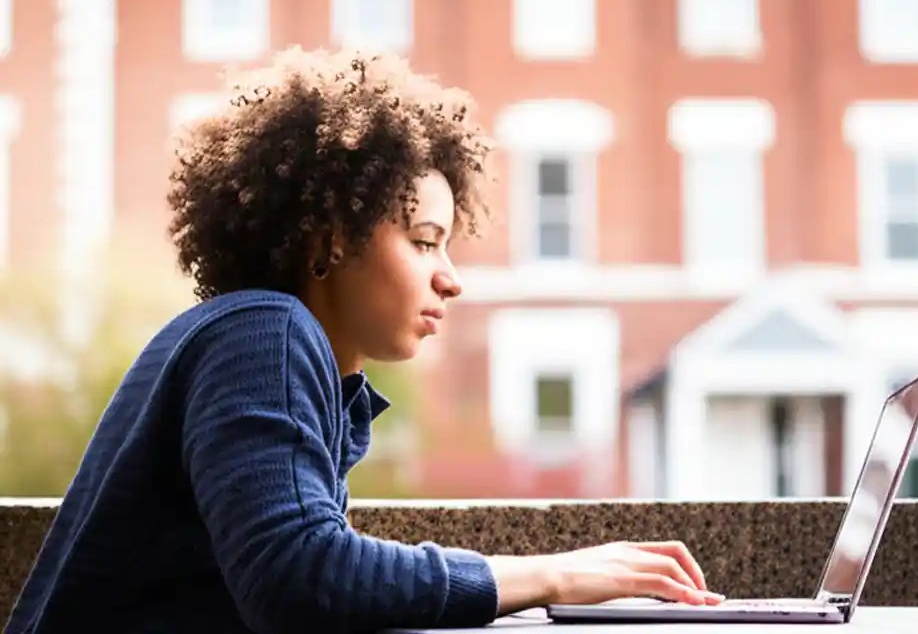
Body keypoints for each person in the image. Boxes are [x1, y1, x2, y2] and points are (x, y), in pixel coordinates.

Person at [5, 48, 722, 634]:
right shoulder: (265, 334)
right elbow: (300, 576)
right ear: (330, 238)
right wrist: (552, 575)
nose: (450, 280)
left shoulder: (261, 343)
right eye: (423, 242)